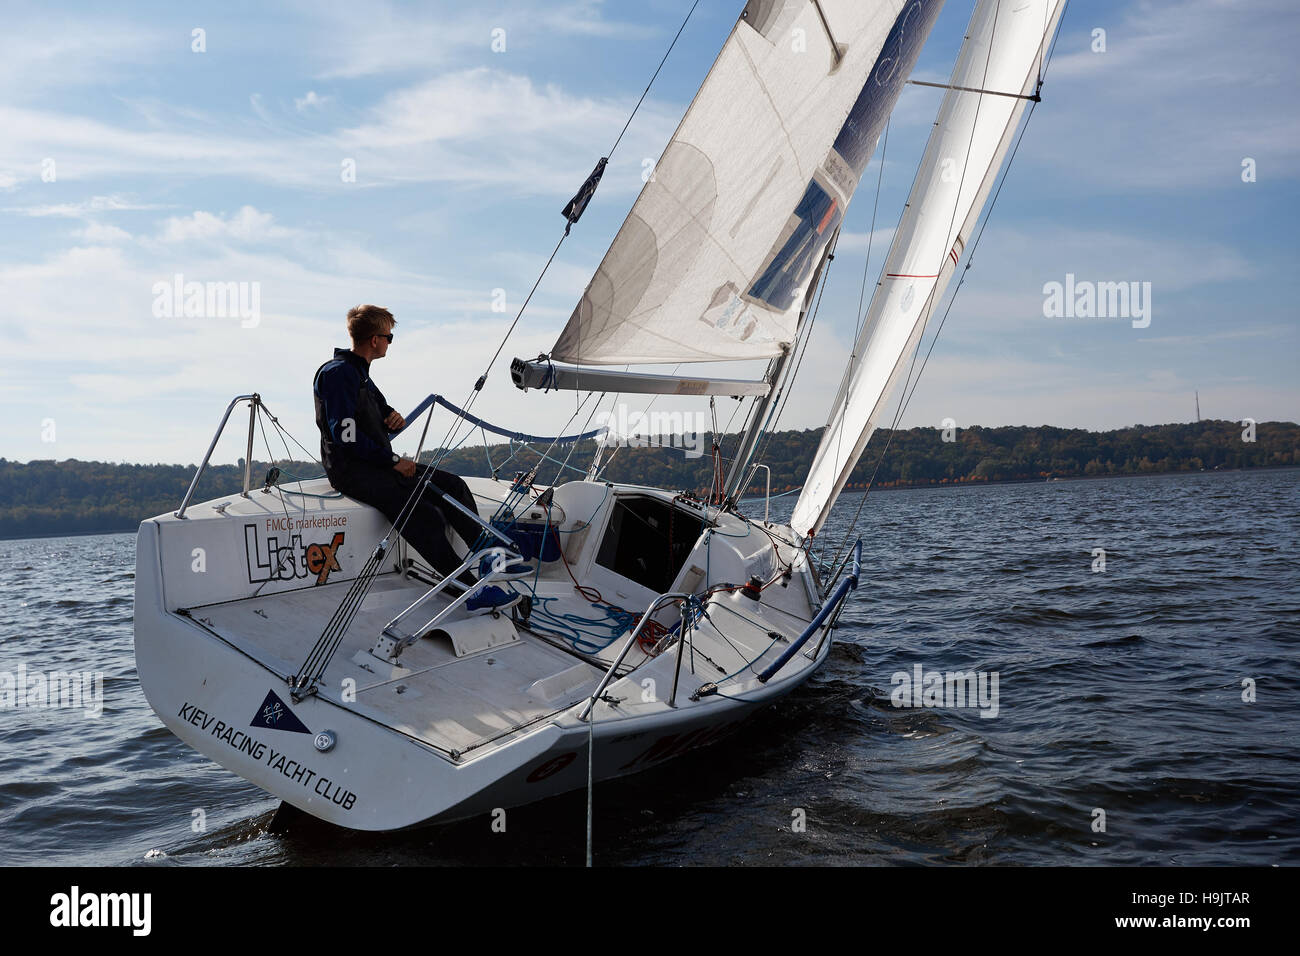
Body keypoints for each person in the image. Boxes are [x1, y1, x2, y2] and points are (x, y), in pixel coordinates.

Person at [313, 304, 483, 583]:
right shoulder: (338, 374)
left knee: (453, 486)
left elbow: (380, 410)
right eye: (389, 337)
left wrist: (393, 417)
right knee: (424, 515)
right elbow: (345, 436)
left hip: (376, 464)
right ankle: (470, 586)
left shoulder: (359, 373)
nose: (390, 343)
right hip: (353, 471)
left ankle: (489, 556)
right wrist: (393, 462)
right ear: (375, 340)